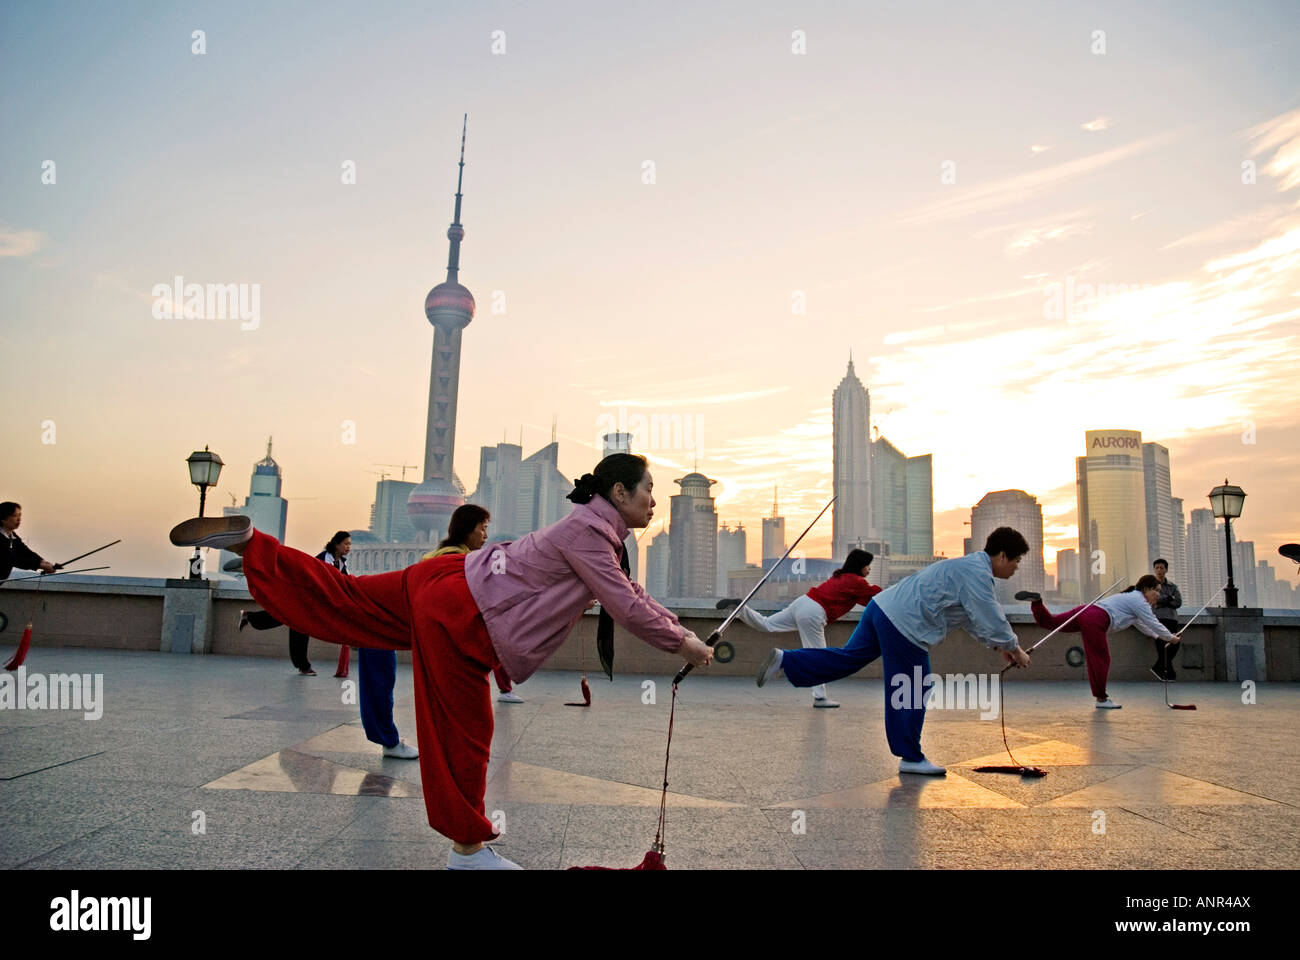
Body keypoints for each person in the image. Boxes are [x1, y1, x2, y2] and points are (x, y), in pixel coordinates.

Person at [169, 453, 713, 870]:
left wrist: (677, 635)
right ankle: (469, 852)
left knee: (345, 595)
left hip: (444, 578)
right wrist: (684, 642)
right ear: (618, 493)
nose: (653, 502)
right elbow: (627, 602)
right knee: (467, 730)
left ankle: (253, 544)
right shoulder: (590, 532)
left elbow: (625, 592)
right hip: (461, 612)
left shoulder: (590, 529)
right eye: (648, 492)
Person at [756, 527, 1032, 776]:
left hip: (881, 608)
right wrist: (1014, 648)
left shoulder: (967, 568)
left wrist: (1000, 646)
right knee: (913, 688)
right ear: (1003, 555)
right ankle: (911, 757)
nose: (1016, 568)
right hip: (904, 624)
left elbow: (972, 618)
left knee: (849, 658)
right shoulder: (978, 574)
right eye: (1017, 561)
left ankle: (786, 661)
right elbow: (990, 615)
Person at [720, 548, 880, 708]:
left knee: (766, 624)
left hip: (803, 602)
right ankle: (819, 696)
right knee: (819, 655)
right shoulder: (856, 582)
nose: (869, 569)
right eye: (867, 565)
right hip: (814, 612)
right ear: (860, 566)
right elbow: (878, 598)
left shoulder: (841, 577)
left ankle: (741, 609)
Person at [316, 530, 418, 759]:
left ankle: (387, 739)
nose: (349, 547)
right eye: (346, 543)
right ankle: (388, 740)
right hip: (376, 619)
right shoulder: (324, 561)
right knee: (380, 680)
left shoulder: (342, 564)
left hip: (375, 619)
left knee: (381, 680)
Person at [1017, 573, 1177, 709]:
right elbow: (1153, 622)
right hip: (1096, 619)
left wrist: (1158, 637)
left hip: (1086, 610)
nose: (1158, 595)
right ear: (1146, 589)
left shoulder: (1132, 600)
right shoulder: (1140, 601)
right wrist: (1171, 637)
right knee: (1101, 658)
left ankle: (1037, 603)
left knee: (1052, 622)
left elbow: (1143, 625)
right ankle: (1101, 699)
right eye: (1156, 591)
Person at [422, 505, 524, 703]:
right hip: (456, 651)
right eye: (483, 528)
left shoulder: (434, 558)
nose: (486, 535)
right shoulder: (460, 562)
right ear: (467, 529)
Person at [1, 502, 58, 581]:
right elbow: (12, 559)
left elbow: (25, 551)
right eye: (14, 516)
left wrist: (42, 561)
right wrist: (40, 565)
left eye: (19, 515)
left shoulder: (11, 535)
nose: (19, 519)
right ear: (3, 519)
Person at [1149, 558, 1182, 681]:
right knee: (1161, 646)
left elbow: (1178, 602)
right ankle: (1169, 673)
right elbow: (1154, 600)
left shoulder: (1172, 586)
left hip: (1171, 619)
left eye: (1161, 568)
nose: (1159, 570)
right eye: (1157, 568)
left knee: (1174, 643)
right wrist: (1168, 599)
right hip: (1157, 619)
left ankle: (1158, 667)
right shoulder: (1151, 586)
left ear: (1166, 570)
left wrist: (1163, 600)